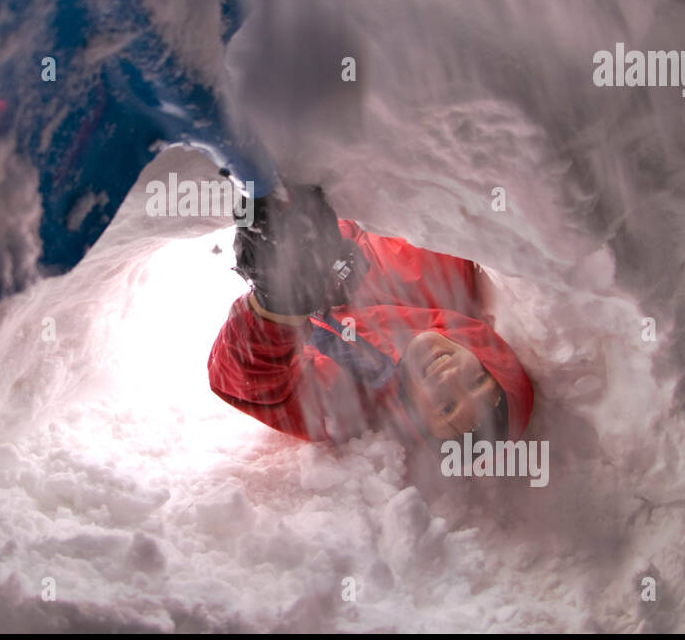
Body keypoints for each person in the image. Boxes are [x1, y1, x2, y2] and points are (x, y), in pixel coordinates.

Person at [208, 183, 534, 451]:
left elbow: (251, 384)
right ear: (489, 359)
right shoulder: (448, 276)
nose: (449, 377)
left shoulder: (352, 402)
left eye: (447, 406)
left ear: (416, 421)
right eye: (478, 381)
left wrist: (279, 303)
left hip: (248, 189)